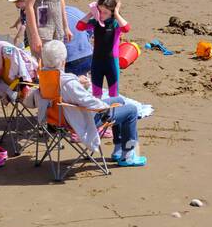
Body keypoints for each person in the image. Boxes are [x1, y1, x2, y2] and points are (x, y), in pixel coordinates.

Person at [39, 38, 146, 166]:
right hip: (81, 118)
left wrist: (79, 84)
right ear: (63, 61)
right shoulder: (68, 82)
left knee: (119, 100)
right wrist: (105, 106)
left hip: (61, 117)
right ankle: (128, 155)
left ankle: (118, 149)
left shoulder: (45, 78)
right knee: (131, 110)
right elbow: (87, 101)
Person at [76, 0, 131, 98]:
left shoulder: (115, 24)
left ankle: (113, 113)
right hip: (97, 63)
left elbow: (126, 28)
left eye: (105, 13)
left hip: (112, 63)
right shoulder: (95, 22)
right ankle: (98, 113)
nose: (101, 15)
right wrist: (91, 13)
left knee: (113, 93)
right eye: (100, 11)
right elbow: (79, 26)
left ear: (112, 13)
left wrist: (117, 14)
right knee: (96, 93)